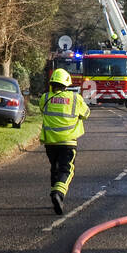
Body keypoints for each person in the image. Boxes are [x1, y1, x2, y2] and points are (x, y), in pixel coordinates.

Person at [39, 67, 90, 215]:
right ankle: (58, 194)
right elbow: (86, 114)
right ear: (66, 84)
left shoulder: (45, 98)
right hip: (68, 142)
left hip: (50, 143)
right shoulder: (75, 98)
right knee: (66, 169)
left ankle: (54, 196)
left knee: (54, 168)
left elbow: (42, 110)